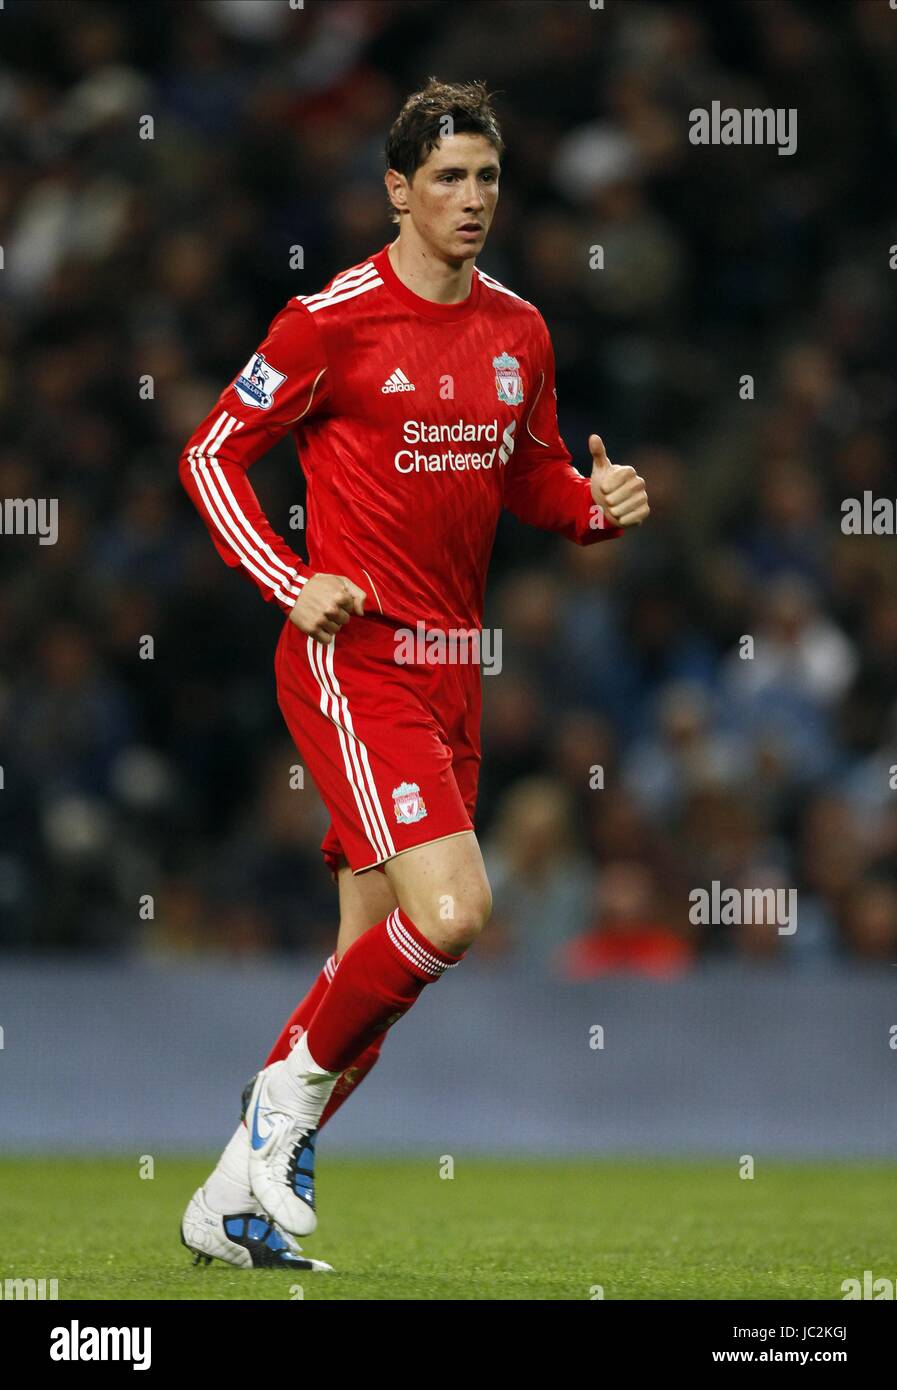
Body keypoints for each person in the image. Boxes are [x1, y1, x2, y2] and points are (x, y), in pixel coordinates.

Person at [177, 78, 649, 1270]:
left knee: (375, 969)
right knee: (456, 912)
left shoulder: (520, 331)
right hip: (352, 662)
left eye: (488, 176)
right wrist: (293, 580)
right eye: (448, 177)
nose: (473, 198)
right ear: (398, 188)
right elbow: (211, 454)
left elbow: (531, 475)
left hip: (451, 675)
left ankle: (230, 1203)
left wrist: (593, 508)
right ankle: (279, 1104)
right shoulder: (328, 322)